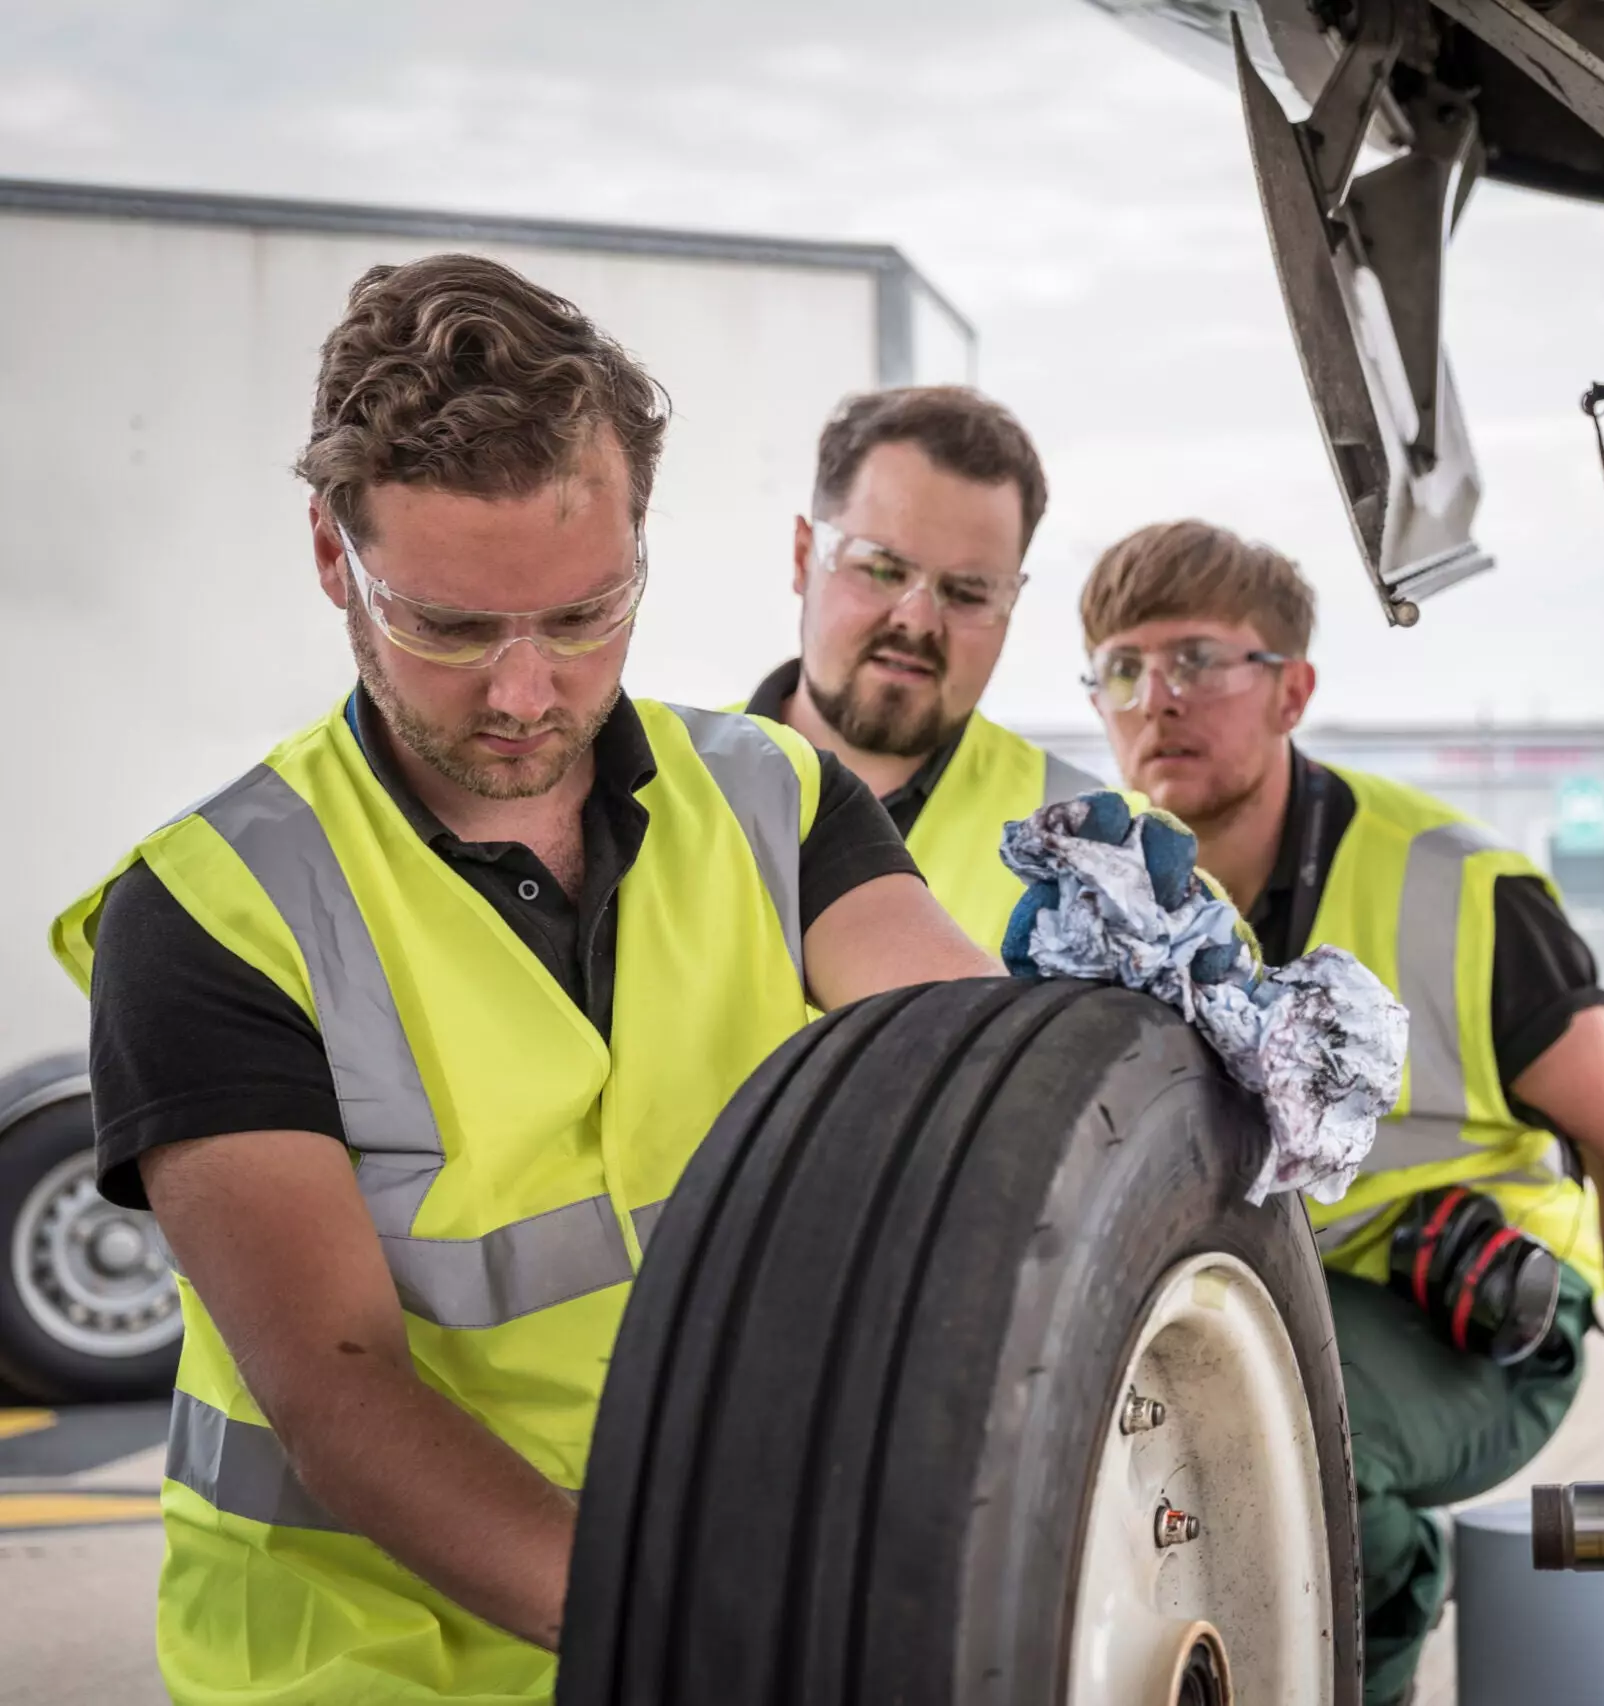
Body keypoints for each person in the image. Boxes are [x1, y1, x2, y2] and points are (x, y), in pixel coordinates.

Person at [48, 255, 994, 1704]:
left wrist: (1139, 1057)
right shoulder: (208, 912)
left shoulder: (775, 796)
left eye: (583, 614)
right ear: (330, 556)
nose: (521, 691)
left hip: (698, 1583)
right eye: (444, 625)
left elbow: (964, 1069)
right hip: (359, 1649)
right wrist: (676, 1626)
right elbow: (336, 1383)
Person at [1078, 520, 1604, 1704]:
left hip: (1477, 1314)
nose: (1156, 698)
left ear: (1293, 691)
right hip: (1268, 1299)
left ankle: (1376, 1620)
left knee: (1290, 1455)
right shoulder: (1102, 902)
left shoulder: (1456, 884)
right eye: (1123, 668)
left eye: (1198, 660)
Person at [741, 387, 1102, 949]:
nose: (919, 621)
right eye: (883, 570)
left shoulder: (1097, 845)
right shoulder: (646, 789)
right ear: (802, 558)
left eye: (968, 590)